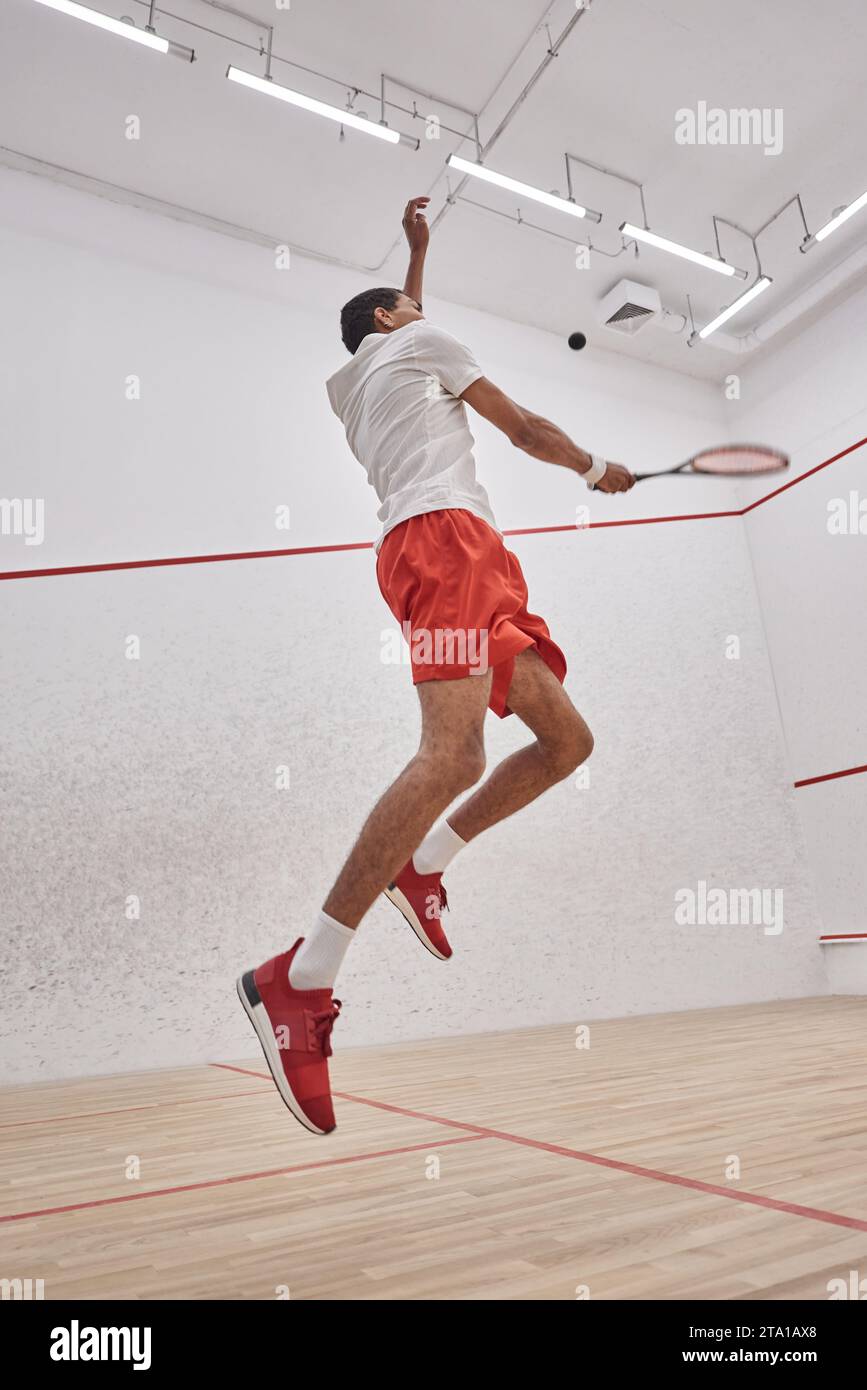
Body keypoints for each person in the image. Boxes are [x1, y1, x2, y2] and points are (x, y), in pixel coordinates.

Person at [237, 196, 635, 1134]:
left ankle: (425, 863)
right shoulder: (420, 346)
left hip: (461, 554)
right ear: (388, 321)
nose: (423, 313)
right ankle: (299, 980)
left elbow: (408, 333)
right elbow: (523, 428)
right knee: (450, 756)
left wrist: (414, 260)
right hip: (446, 548)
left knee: (566, 739)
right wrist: (593, 468)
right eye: (409, 306)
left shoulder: (361, 379)